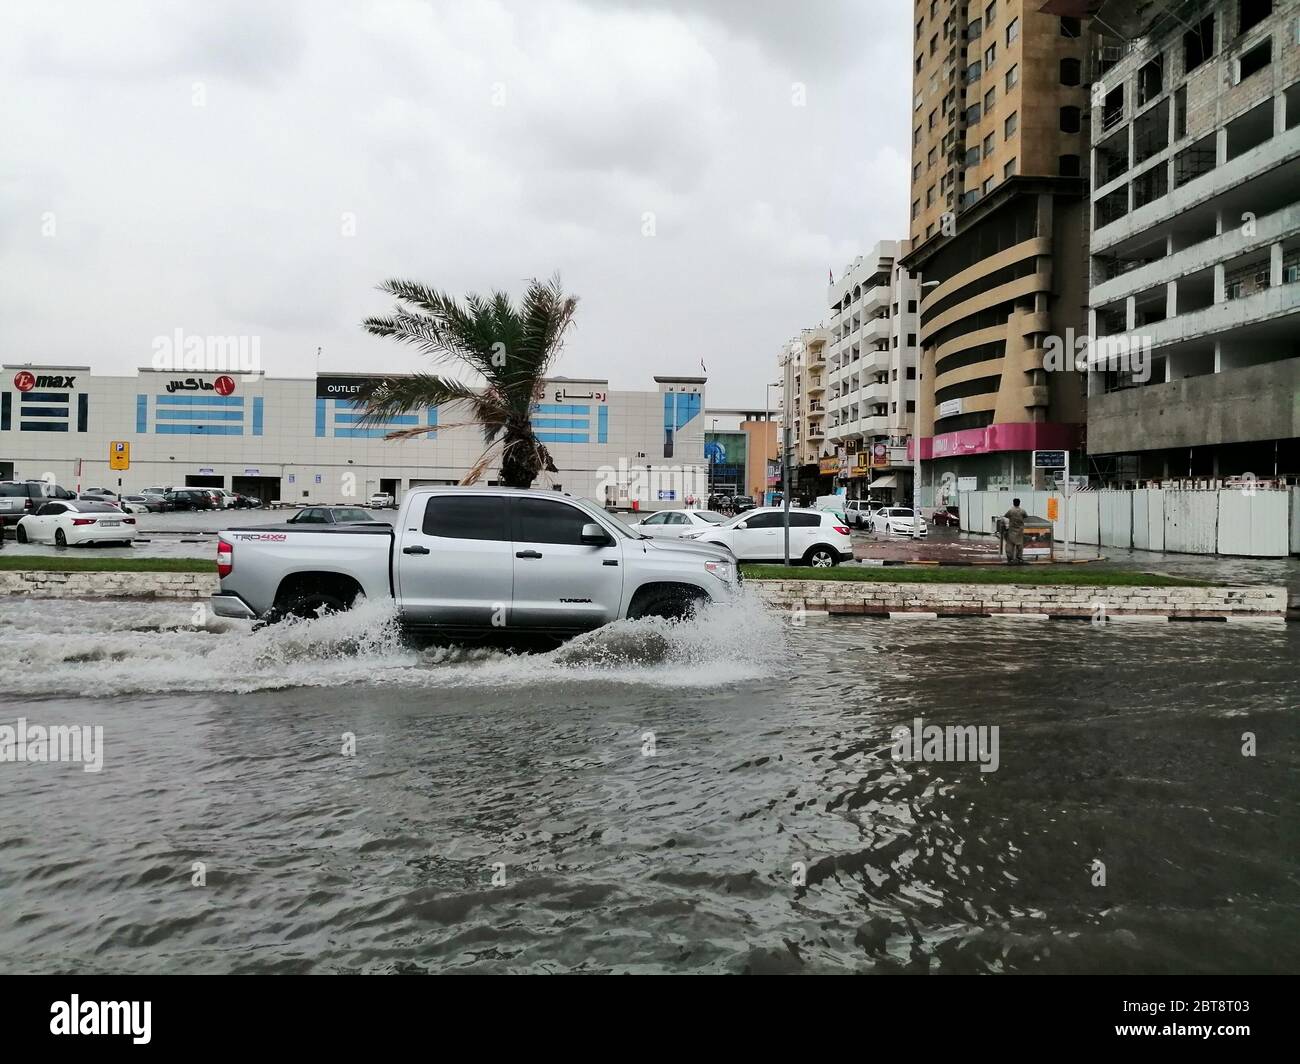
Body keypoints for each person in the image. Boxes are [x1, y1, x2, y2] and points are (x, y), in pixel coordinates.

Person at [1003, 497, 1028, 564]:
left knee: (1010, 545)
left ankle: (1010, 559)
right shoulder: (1022, 511)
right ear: (1019, 503)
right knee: (1019, 545)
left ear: (1013, 503)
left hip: (1012, 530)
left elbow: (1005, 516)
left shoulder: (1011, 511)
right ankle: (1019, 558)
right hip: (1020, 530)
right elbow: (1026, 516)